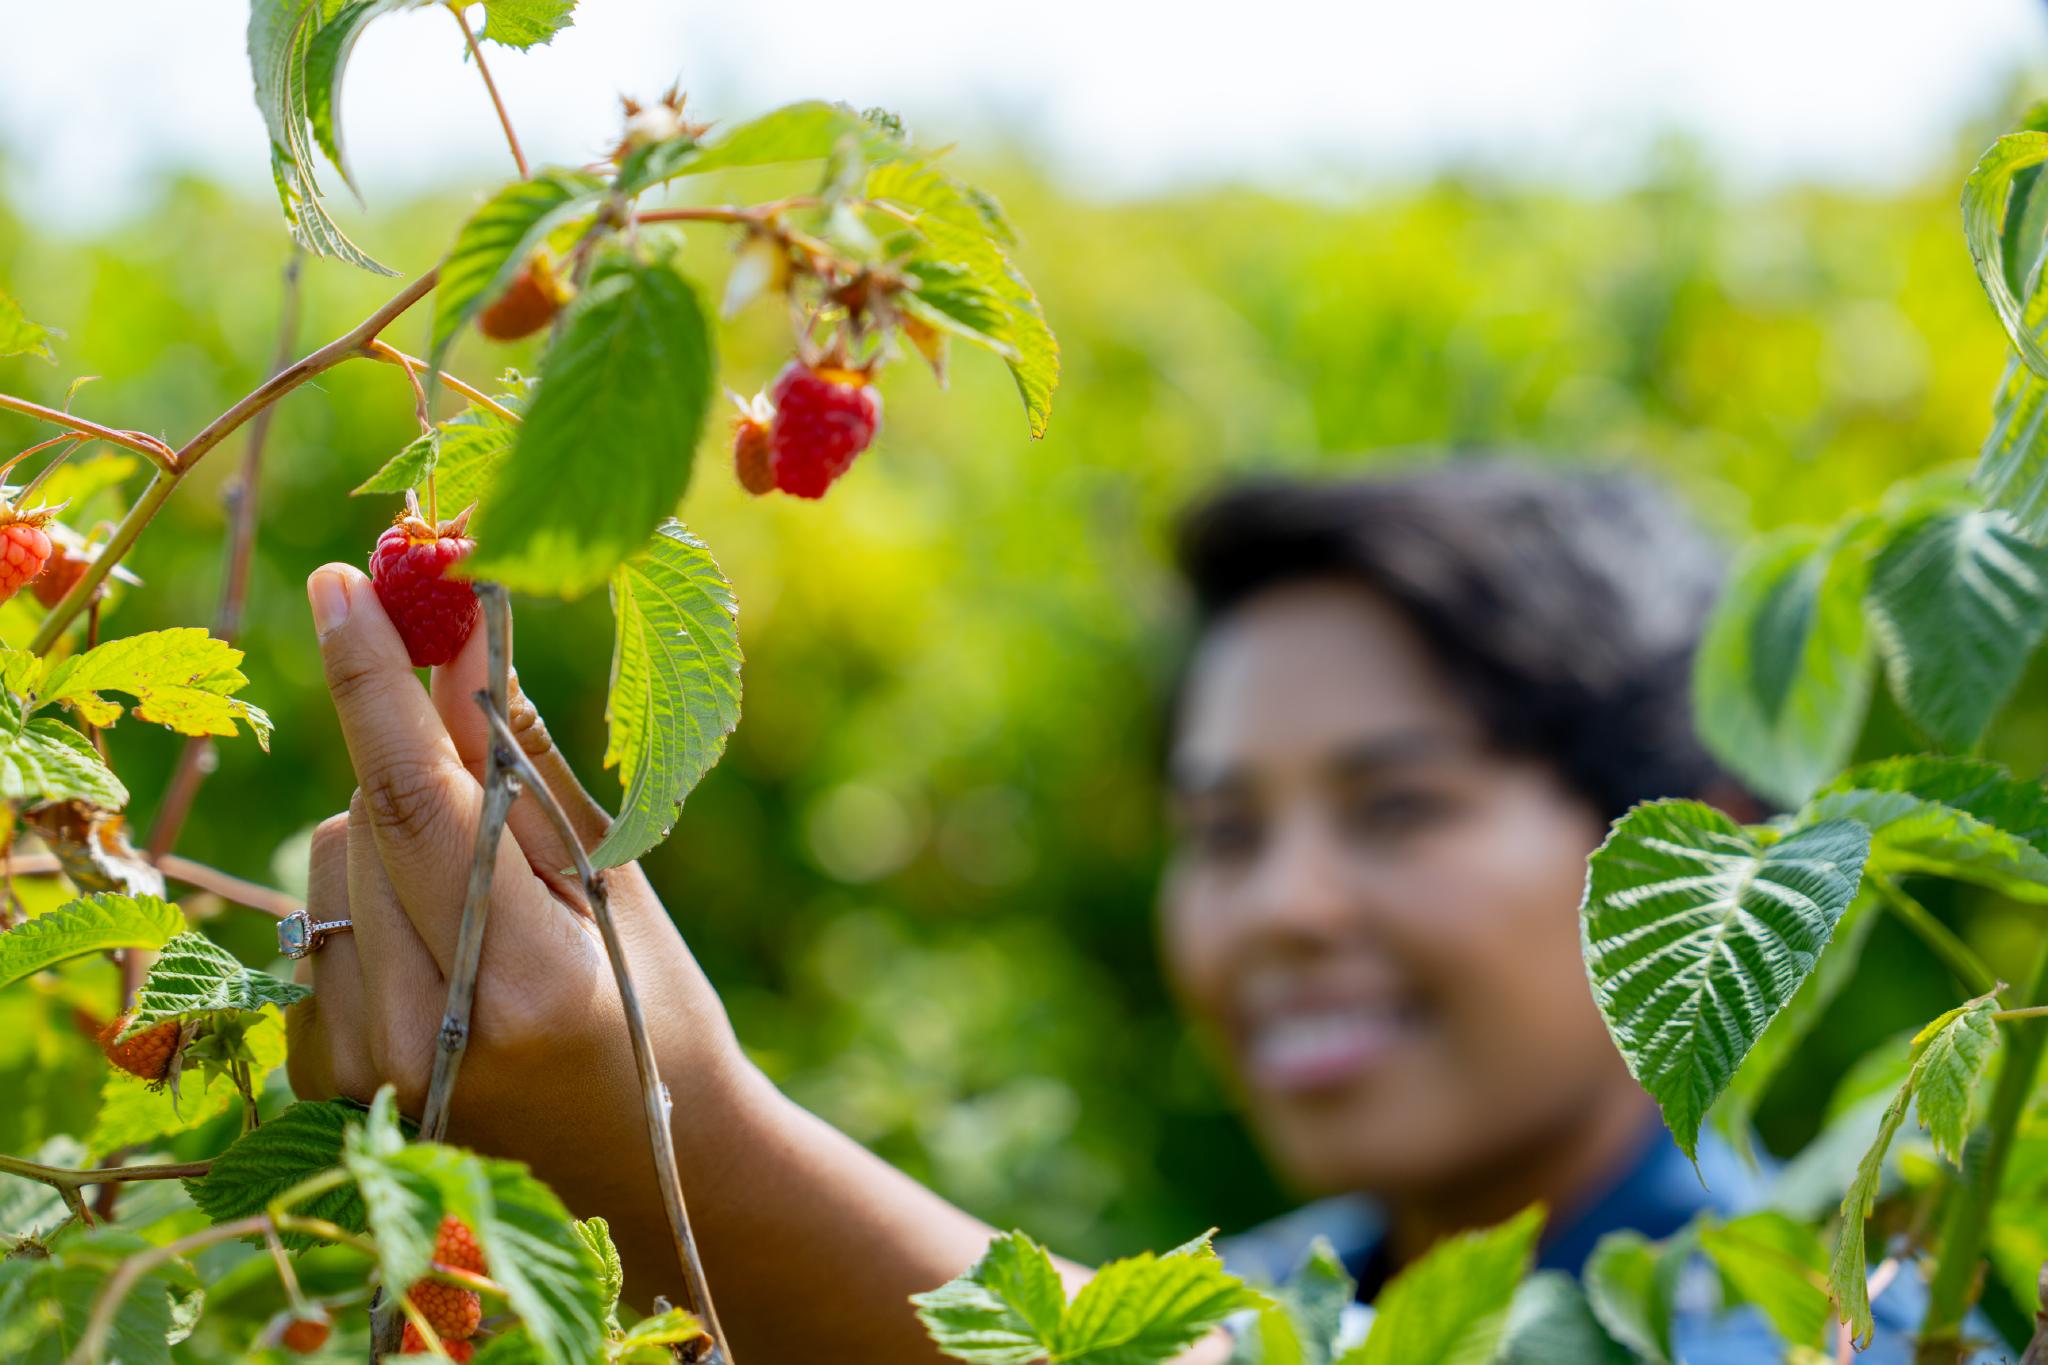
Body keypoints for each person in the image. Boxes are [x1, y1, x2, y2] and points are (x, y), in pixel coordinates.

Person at [283, 460, 1925, 1361]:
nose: (1281, 905)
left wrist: (683, 1137)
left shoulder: (1875, 1319)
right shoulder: (1252, 1295)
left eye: (1398, 805)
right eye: (1221, 829)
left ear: (1707, 859)